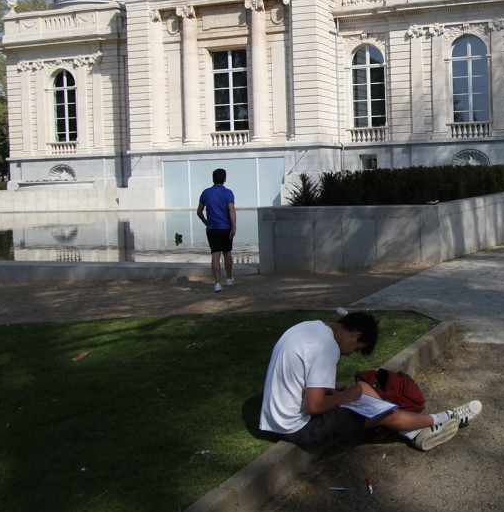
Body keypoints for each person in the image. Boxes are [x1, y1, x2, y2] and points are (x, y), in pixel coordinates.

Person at [259, 311, 483, 452]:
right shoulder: (326, 347)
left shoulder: (312, 328)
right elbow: (313, 406)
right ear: (355, 335)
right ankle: (445, 418)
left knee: (363, 388)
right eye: (356, 349)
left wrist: (336, 390)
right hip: (300, 428)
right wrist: (345, 396)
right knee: (378, 412)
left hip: (278, 418)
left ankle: (412, 432)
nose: (349, 354)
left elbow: (300, 377)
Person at [197, 168, 236, 293]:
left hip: (212, 228)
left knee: (215, 254)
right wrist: (234, 226)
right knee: (227, 253)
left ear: (213, 179)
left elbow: (199, 211)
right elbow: (231, 210)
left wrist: (205, 221)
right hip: (226, 228)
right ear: (225, 179)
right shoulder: (228, 193)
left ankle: (217, 283)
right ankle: (229, 279)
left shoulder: (206, 193)